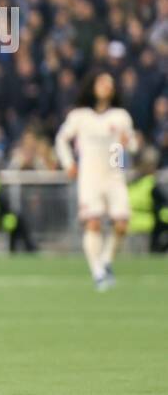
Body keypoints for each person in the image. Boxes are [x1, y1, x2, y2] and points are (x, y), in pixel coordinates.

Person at [55, 70, 138, 290]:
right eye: (102, 82)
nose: (106, 87)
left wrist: (126, 144)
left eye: (110, 83)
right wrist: (68, 163)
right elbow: (62, 139)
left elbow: (131, 146)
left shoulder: (120, 116)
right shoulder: (80, 116)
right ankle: (98, 272)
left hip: (114, 175)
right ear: (92, 86)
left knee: (121, 224)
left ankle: (107, 260)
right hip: (90, 176)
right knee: (93, 223)